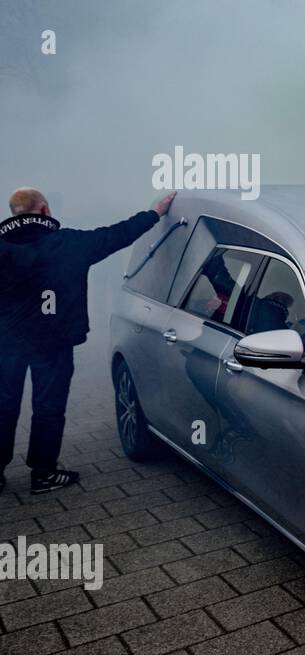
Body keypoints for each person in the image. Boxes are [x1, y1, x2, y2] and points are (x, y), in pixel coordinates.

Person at [0, 187, 176, 494]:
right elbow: (117, 234)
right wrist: (155, 213)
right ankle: (43, 473)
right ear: (44, 210)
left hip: (5, 345)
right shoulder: (69, 243)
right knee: (48, 407)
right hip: (53, 344)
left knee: (2, 406)